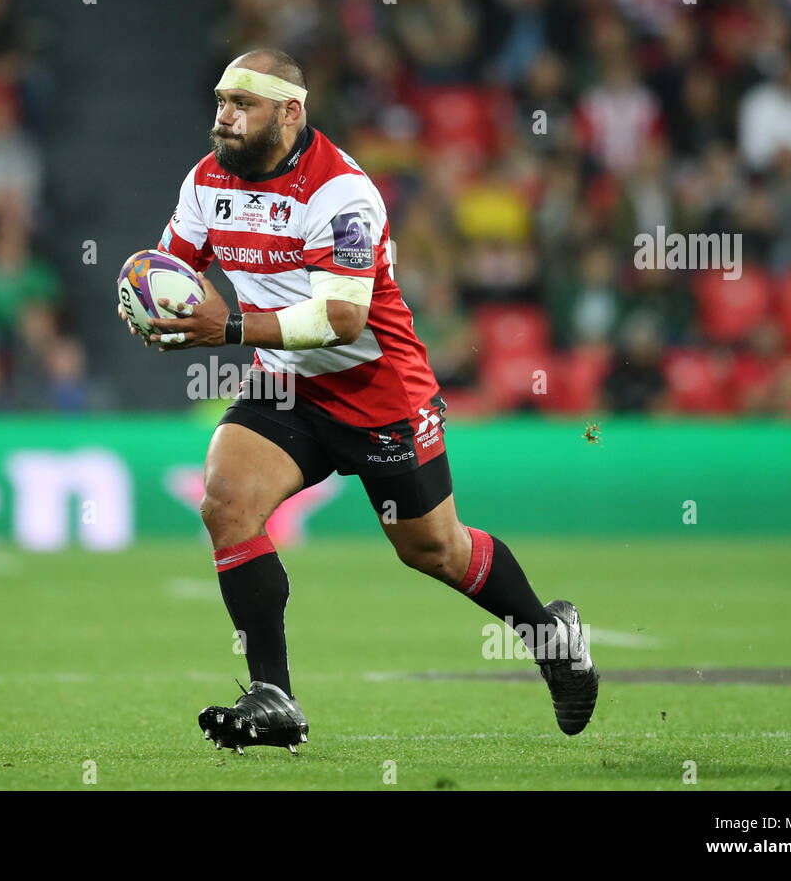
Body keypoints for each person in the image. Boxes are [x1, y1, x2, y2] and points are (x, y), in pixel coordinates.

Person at [118, 49, 598, 754]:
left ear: (291, 112)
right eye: (221, 99)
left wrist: (222, 326)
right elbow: (172, 269)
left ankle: (550, 636)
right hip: (285, 382)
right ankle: (273, 694)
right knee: (226, 501)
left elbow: (341, 320)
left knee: (433, 549)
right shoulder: (204, 181)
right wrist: (149, 299)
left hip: (376, 387)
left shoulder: (342, 192)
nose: (224, 115)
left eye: (242, 103)